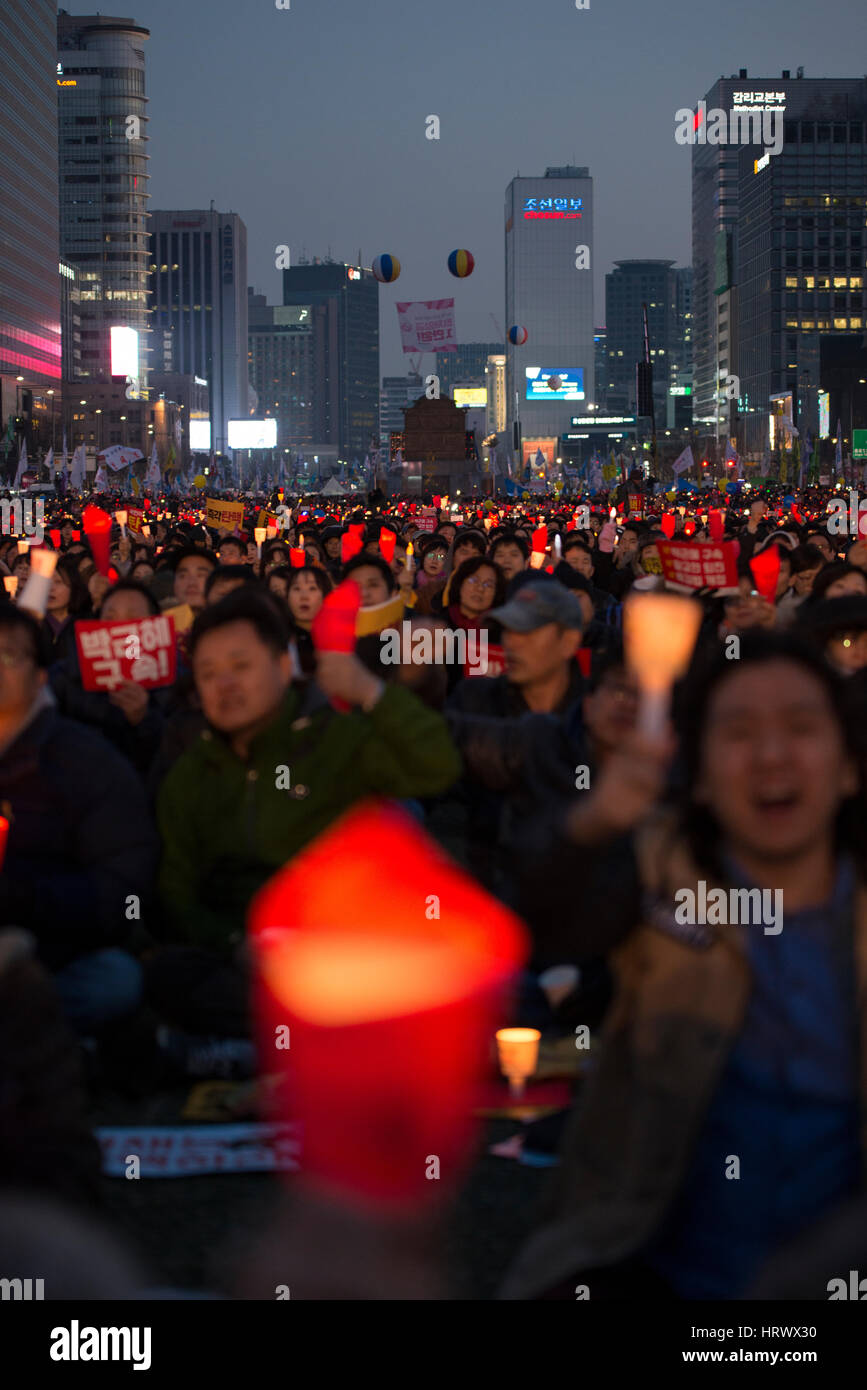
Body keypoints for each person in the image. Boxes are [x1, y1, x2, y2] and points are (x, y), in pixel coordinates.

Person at [503, 631, 867, 1300]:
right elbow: (532, 920)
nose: (769, 754)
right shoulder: (657, 868)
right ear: (696, 775)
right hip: (658, 1268)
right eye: (738, 731)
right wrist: (595, 819)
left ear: (848, 766)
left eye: (800, 727)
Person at [152, 589, 461, 1044]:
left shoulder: (336, 740)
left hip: (341, 944)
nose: (226, 685)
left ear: (282, 666)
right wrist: (238, 942)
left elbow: (438, 766)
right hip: (243, 958)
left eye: (241, 667)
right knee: (164, 976)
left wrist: (369, 691)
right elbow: (176, 891)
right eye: (208, 673)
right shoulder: (191, 775)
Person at [0, 607, 157, 1034]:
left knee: (114, 980)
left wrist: (23, 898)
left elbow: (124, 894)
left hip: (54, 952)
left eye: (10, 656)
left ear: (40, 677)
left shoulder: (85, 761)